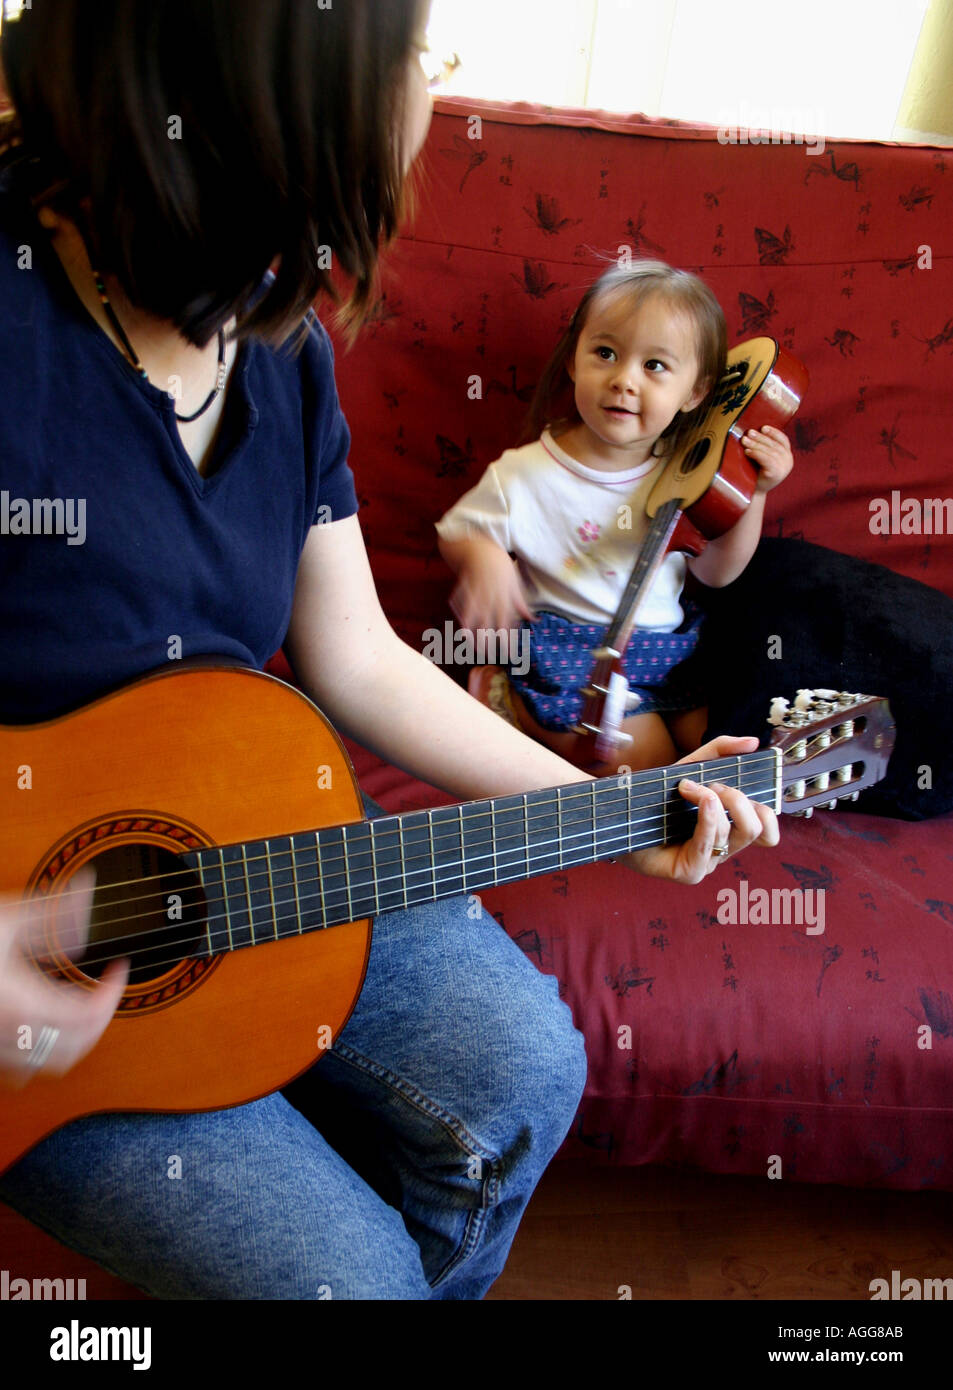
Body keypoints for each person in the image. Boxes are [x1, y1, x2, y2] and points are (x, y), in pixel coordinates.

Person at [0, 1, 778, 1300]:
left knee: (530, 1068)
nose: (435, 85)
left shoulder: (278, 337)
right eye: (418, 51)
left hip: (245, 839)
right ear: (275, 90)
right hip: (40, 981)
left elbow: (354, 653)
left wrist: (610, 813)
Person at [436, 261, 794, 771]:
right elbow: (458, 530)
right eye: (605, 353)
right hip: (571, 655)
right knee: (652, 771)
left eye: (655, 366)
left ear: (695, 392)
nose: (624, 380)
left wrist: (753, 492)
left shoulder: (691, 470)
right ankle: (512, 699)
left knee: (729, 748)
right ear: (573, 362)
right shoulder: (525, 473)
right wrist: (483, 555)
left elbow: (716, 572)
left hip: (669, 654)